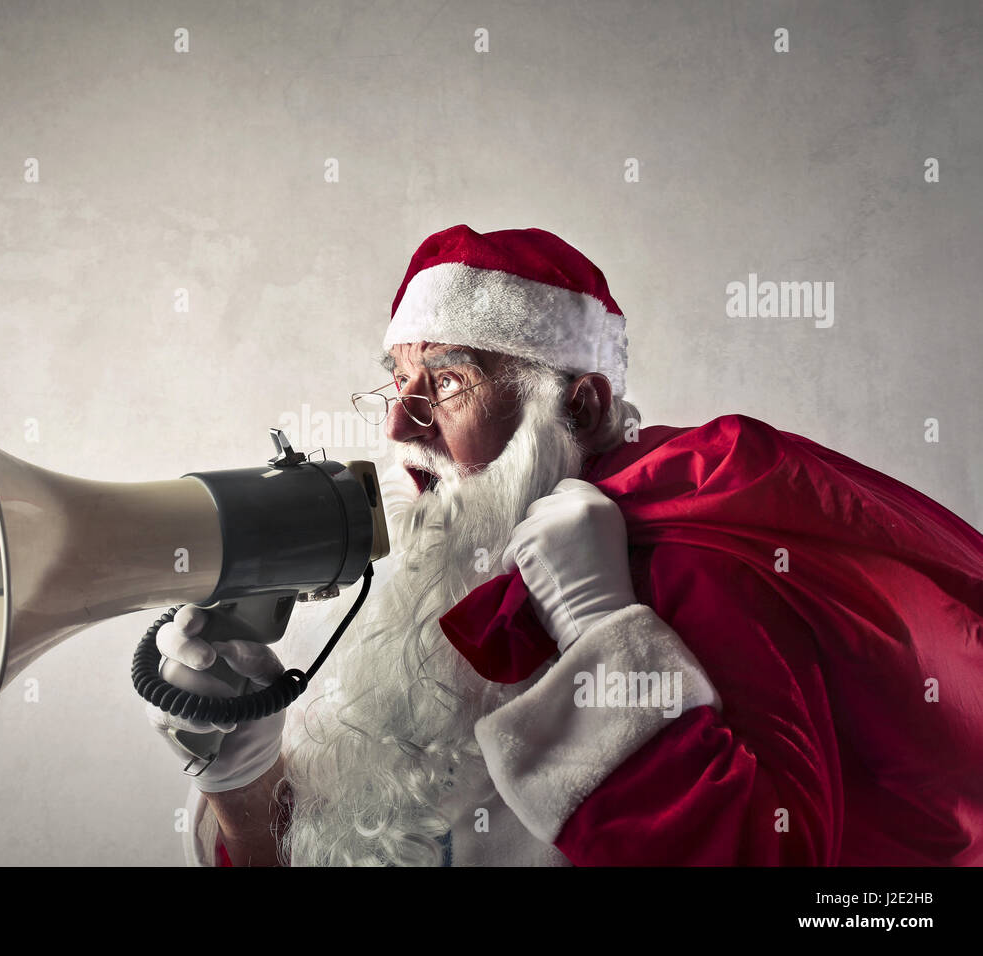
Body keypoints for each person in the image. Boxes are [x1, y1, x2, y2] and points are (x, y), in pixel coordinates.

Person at [146, 224, 983, 866]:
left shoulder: (690, 561)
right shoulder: (434, 576)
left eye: (446, 384)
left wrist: (601, 629)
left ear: (577, 408)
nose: (401, 425)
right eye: (397, 385)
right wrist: (242, 772)